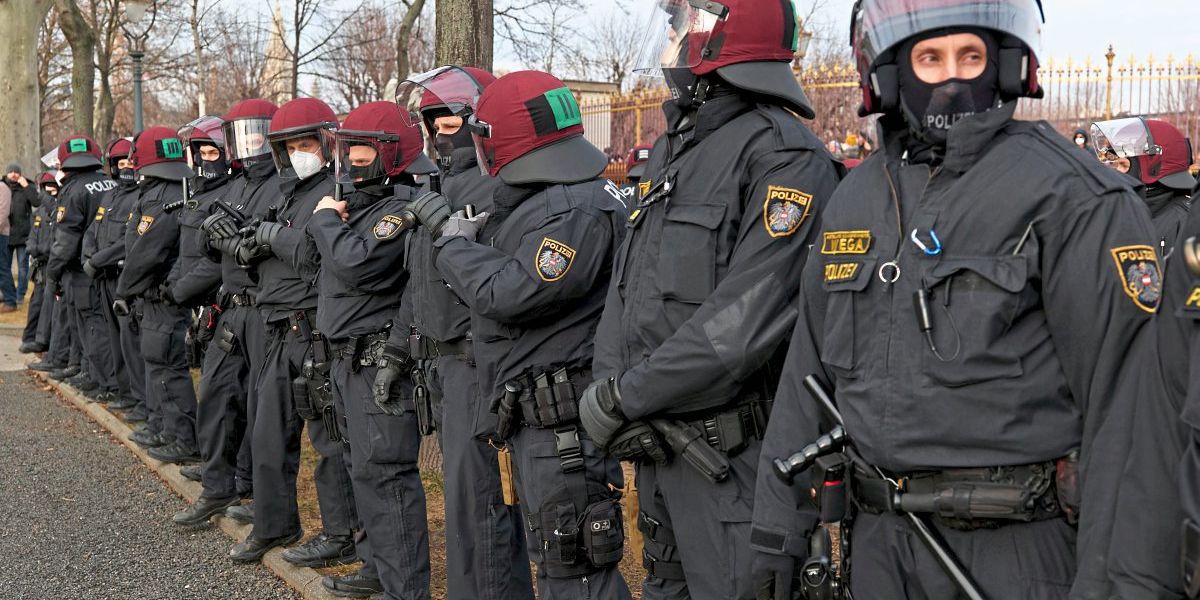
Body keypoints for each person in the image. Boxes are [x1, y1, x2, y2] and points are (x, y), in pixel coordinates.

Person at [750, 2, 1162, 599]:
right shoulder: (856, 198)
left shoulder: (1074, 197)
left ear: (1005, 64)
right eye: (929, 58)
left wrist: (1115, 584)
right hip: (876, 551)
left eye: (970, 56)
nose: (951, 77)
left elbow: (1130, 418)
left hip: (1016, 550)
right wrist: (775, 536)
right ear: (891, 73)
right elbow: (804, 381)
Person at [576, 1, 840, 598]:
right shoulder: (679, 149)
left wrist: (624, 396)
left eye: (678, 25)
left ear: (715, 37)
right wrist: (611, 386)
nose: (668, 41)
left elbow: (741, 325)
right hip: (659, 451)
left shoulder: (784, 157)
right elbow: (630, 286)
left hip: (732, 468)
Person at [404, 69, 633, 600]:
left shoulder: (574, 209)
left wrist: (449, 241)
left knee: (575, 569)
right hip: (538, 416)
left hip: (564, 426)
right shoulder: (556, 196)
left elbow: (510, 292)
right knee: (556, 565)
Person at [391, 65, 535, 600]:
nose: (440, 131)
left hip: (479, 362)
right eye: (433, 121)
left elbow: (494, 275)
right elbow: (420, 278)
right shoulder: (442, 183)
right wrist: (398, 348)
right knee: (464, 505)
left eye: (450, 120)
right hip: (445, 363)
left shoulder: (494, 183)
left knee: (482, 505)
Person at [308, 99, 440, 600]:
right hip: (345, 360)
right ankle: (375, 567)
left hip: (377, 361)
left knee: (386, 477)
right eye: (348, 149)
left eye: (361, 151)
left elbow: (357, 263)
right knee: (360, 470)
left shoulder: (398, 209)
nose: (351, 160)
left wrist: (325, 223)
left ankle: (405, 588)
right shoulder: (355, 205)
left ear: (390, 154)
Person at [223, 96, 361, 567]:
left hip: (313, 331)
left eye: (306, 143)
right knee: (267, 434)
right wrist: (256, 241)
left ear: (325, 143)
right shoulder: (290, 192)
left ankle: (341, 534)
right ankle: (274, 524)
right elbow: (256, 247)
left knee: (327, 439)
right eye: (290, 145)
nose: (299, 152)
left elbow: (312, 255)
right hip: (276, 326)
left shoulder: (339, 187)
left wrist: (270, 240)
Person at [190, 98, 280, 526]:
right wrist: (212, 235)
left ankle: (250, 487)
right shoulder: (235, 183)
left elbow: (266, 243)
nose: (250, 144)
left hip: (265, 310)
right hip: (231, 308)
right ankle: (216, 487)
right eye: (242, 134)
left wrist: (236, 238)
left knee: (262, 408)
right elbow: (206, 248)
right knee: (217, 397)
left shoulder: (282, 183)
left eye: (258, 133)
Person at [115, 126, 201, 464]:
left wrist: (124, 289)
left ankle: (183, 439)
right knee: (158, 366)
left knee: (166, 367)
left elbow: (145, 253)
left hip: (161, 298)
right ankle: (165, 428)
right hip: (159, 295)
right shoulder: (176, 188)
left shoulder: (159, 196)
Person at [44, 135, 116, 390]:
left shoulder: (73, 191)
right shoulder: (109, 184)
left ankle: (100, 380)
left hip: (80, 271)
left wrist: (52, 274)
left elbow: (65, 242)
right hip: (107, 267)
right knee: (100, 325)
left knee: (91, 327)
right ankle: (90, 372)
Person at [79, 137, 138, 408]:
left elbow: (127, 241)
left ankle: (137, 398)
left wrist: (98, 260)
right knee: (115, 339)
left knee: (130, 342)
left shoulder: (139, 197)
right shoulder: (110, 194)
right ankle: (123, 392)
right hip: (104, 277)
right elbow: (93, 229)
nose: (125, 167)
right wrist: (88, 256)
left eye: (129, 162)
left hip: (123, 277)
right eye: (120, 163)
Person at [1090, 116, 1194, 257]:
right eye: (1114, 165)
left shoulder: (1186, 223)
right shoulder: (1121, 212)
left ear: (1154, 168)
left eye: (1123, 165)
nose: (1114, 173)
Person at [18, 172, 56, 354]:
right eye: (46, 187)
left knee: (49, 304)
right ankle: (30, 337)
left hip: (51, 263)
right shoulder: (39, 212)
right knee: (36, 303)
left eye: (52, 187)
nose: (49, 191)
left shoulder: (57, 209)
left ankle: (42, 340)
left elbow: (57, 241)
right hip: (40, 265)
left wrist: (41, 249)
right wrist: (32, 247)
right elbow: (32, 235)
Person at [5, 163, 38, 305]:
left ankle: (20, 295)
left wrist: (26, 186)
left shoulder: (27, 186)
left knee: (23, 267)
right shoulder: (2, 187)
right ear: (6, 173)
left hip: (24, 234)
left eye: (16, 172)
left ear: (20, 174)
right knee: (4, 267)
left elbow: (37, 202)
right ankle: (9, 294)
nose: (13, 174)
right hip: (5, 234)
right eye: (10, 172)